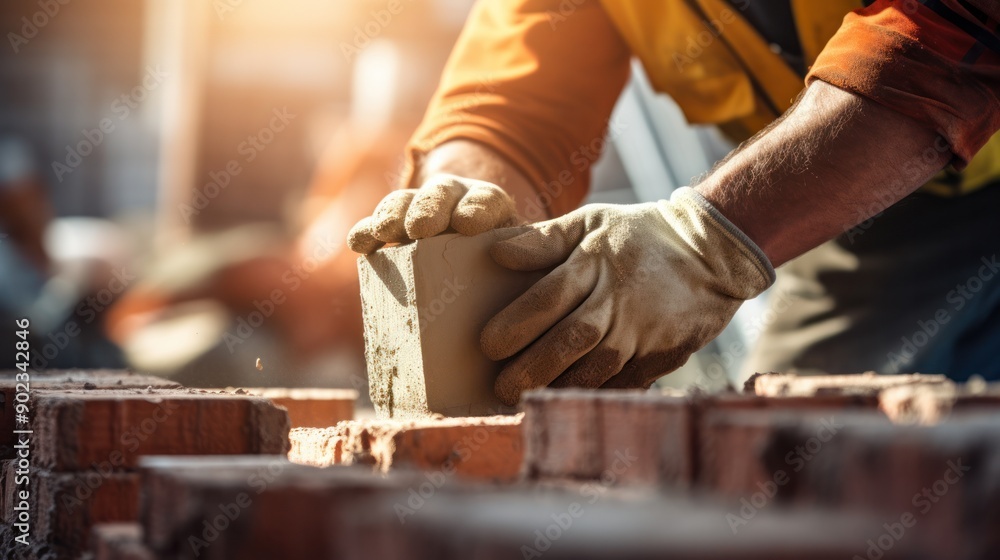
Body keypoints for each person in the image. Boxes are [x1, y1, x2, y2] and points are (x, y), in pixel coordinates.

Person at [347, 0, 1000, 405]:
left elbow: (958, 35)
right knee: (789, 473)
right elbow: (516, 105)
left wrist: (704, 244)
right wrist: (467, 189)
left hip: (908, 159)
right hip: (861, 210)